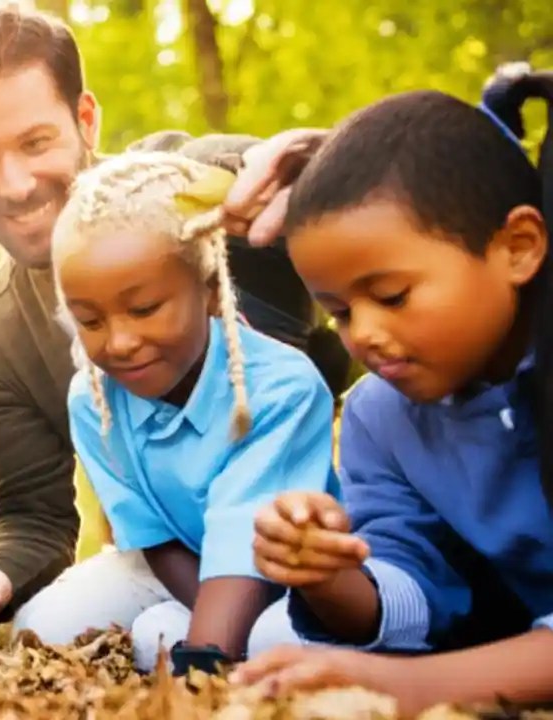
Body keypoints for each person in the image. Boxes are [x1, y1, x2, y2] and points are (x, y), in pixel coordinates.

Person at [0, 1, 345, 635]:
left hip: (297, 526)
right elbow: (33, 510)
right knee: (43, 630)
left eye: (36, 143)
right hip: (167, 552)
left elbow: (380, 184)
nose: (16, 183)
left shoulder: (195, 189)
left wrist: (309, 162)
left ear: (85, 119)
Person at [236, 68, 553, 714]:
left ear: (518, 248)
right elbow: (413, 592)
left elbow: (415, 674)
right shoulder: (380, 417)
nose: (365, 336)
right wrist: (330, 576)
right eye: (341, 313)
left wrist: (412, 688)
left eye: (392, 296)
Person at [18, 150, 338, 671]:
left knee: (273, 642)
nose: (118, 343)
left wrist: (206, 657)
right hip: (182, 566)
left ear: (211, 291)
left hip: (291, 580)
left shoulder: (283, 389)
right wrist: (202, 625)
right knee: (43, 628)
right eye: (90, 320)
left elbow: (245, 540)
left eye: (144, 309)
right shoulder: (92, 400)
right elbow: (154, 538)